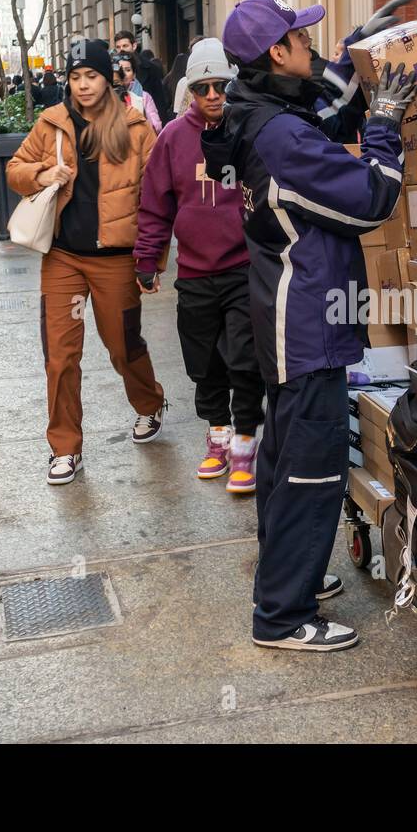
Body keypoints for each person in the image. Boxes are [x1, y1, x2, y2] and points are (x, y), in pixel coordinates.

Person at [201, 0, 415, 651]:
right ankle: (284, 617)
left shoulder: (254, 111)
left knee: (284, 458)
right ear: (276, 52)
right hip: (307, 325)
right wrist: (384, 125)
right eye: (301, 38)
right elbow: (370, 198)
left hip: (289, 315)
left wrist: (355, 51)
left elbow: (318, 108)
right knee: (311, 467)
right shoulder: (280, 137)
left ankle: (290, 579)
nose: (312, 48)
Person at [6, 39, 168, 486]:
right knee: (60, 356)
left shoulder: (136, 129)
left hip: (115, 260)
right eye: (75, 77)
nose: (82, 85)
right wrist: (42, 174)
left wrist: (151, 258)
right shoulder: (52, 123)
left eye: (91, 75)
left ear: (108, 78)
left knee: (123, 348)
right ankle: (64, 447)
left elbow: (156, 198)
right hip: (63, 258)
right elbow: (14, 169)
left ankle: (150, 402)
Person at [134, 38, 265, 493]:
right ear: (189, 90)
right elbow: (154, 206)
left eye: (220, 86)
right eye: (203, 87)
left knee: (246, 361)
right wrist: (147, 260)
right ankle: (218, 438)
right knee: (204, 363)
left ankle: (246, 443)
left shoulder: (247, 128)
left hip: (245, 268)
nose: (212, 95)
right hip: (194, 273)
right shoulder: (172, 138)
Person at [114, 29, 169, 120]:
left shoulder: (151, 69)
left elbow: (160, 102)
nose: (122, 49)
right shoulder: (113, 70)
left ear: (134, 46)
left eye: (125, 46)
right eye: (118, 47)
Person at [113, 53, 163, 132]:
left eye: (128, 70)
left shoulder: (144, 96)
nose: (124, 74)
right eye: (120, 70)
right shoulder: (108, 95)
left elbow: (157, 126)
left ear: (134, 75)